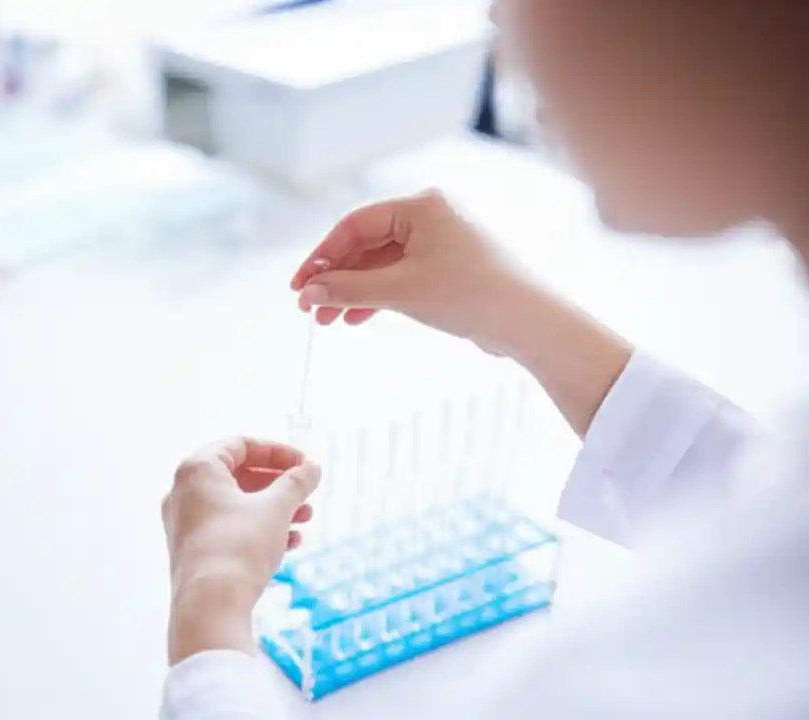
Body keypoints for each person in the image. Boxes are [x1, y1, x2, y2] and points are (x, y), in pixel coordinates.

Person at [159, 1, 809, 717]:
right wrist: (513, 311)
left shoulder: (623, 677)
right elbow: (759, 499)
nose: (501, 14)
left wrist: (210, 601)